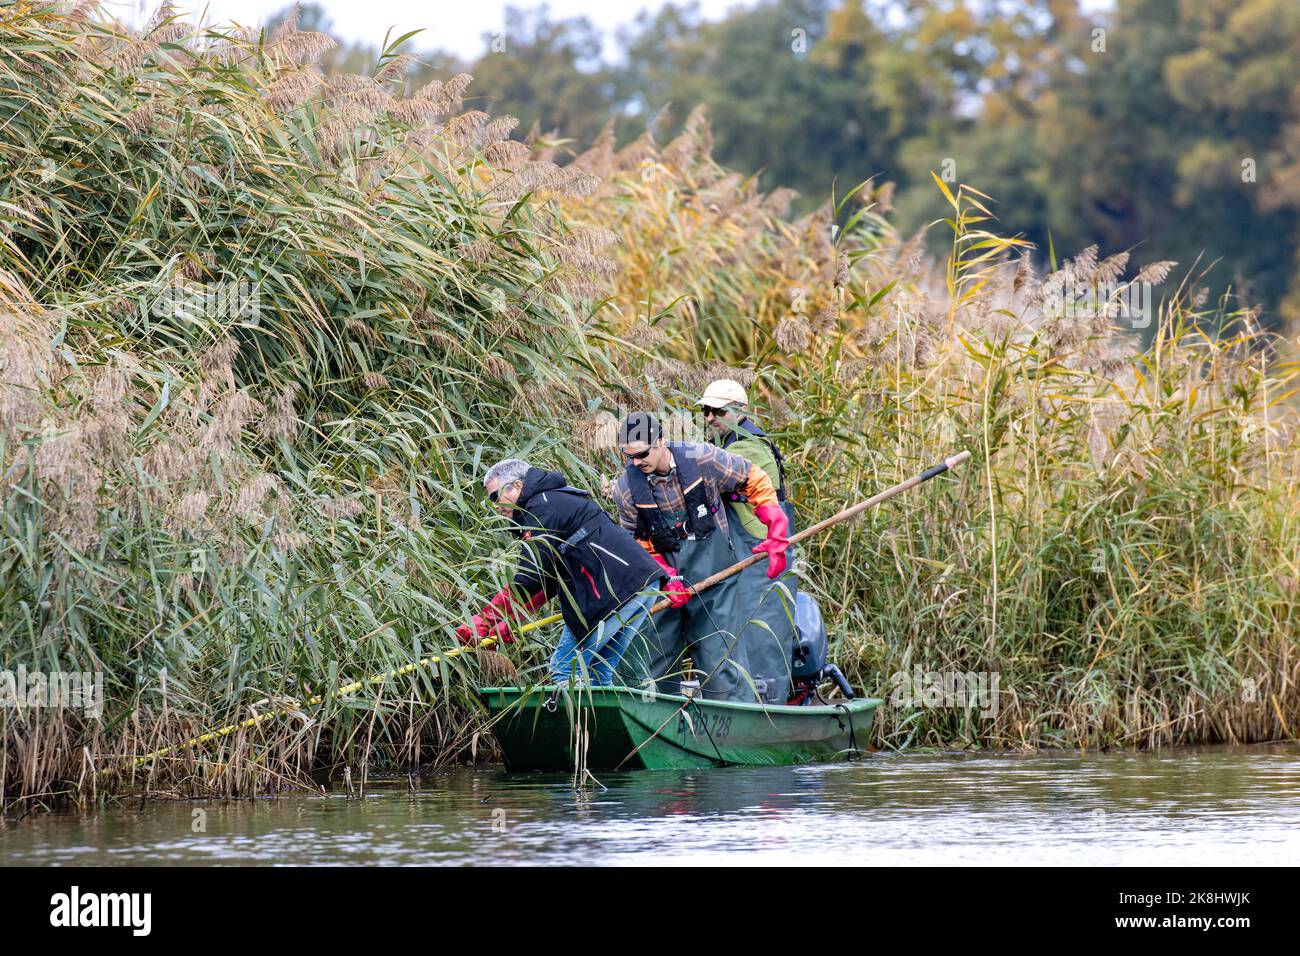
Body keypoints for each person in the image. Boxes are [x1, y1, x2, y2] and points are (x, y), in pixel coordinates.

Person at [456, 459, 689, 686]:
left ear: (517, 486)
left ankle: (574, 725)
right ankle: (601, 725)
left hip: (614, 591)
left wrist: (484, 620)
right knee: (599, 673)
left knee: (563, 669)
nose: (495, 506)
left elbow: (530, 575)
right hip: (640, 586)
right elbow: (545, 582)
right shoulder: (552, 500)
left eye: (496, 497)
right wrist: (508, 617)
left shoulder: (540, 506)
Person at [611, 411, 790, 702]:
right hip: (665, 583)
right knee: (655, 661)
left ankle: (734, 725)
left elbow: (752, 477)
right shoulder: (626, 490)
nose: (636, 462)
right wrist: (666, 578)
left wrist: (774, 522)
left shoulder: (702, 457)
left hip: (714, 576)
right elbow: (636, 545)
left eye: (642, 453)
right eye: (628, 456)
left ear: (660, 441)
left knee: (718, 658)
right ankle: (657, 723)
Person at [698, 378, 797, 703]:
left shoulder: (745, 448)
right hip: (747, 560)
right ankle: (744, 701)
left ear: (740, 411)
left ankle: (764, 709)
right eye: (705, 411)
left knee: (758, 637)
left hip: (762, 560)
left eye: (717, 411)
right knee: (739, 634)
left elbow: (701, 479)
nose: (709, 418)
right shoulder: (733, 443)